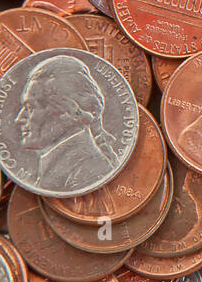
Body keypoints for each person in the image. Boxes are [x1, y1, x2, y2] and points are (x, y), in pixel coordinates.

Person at [13, 55, 121, 192]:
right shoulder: (61, 166)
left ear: (66, 113)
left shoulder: (88, 171)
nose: (19, 119)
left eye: (30, 107)